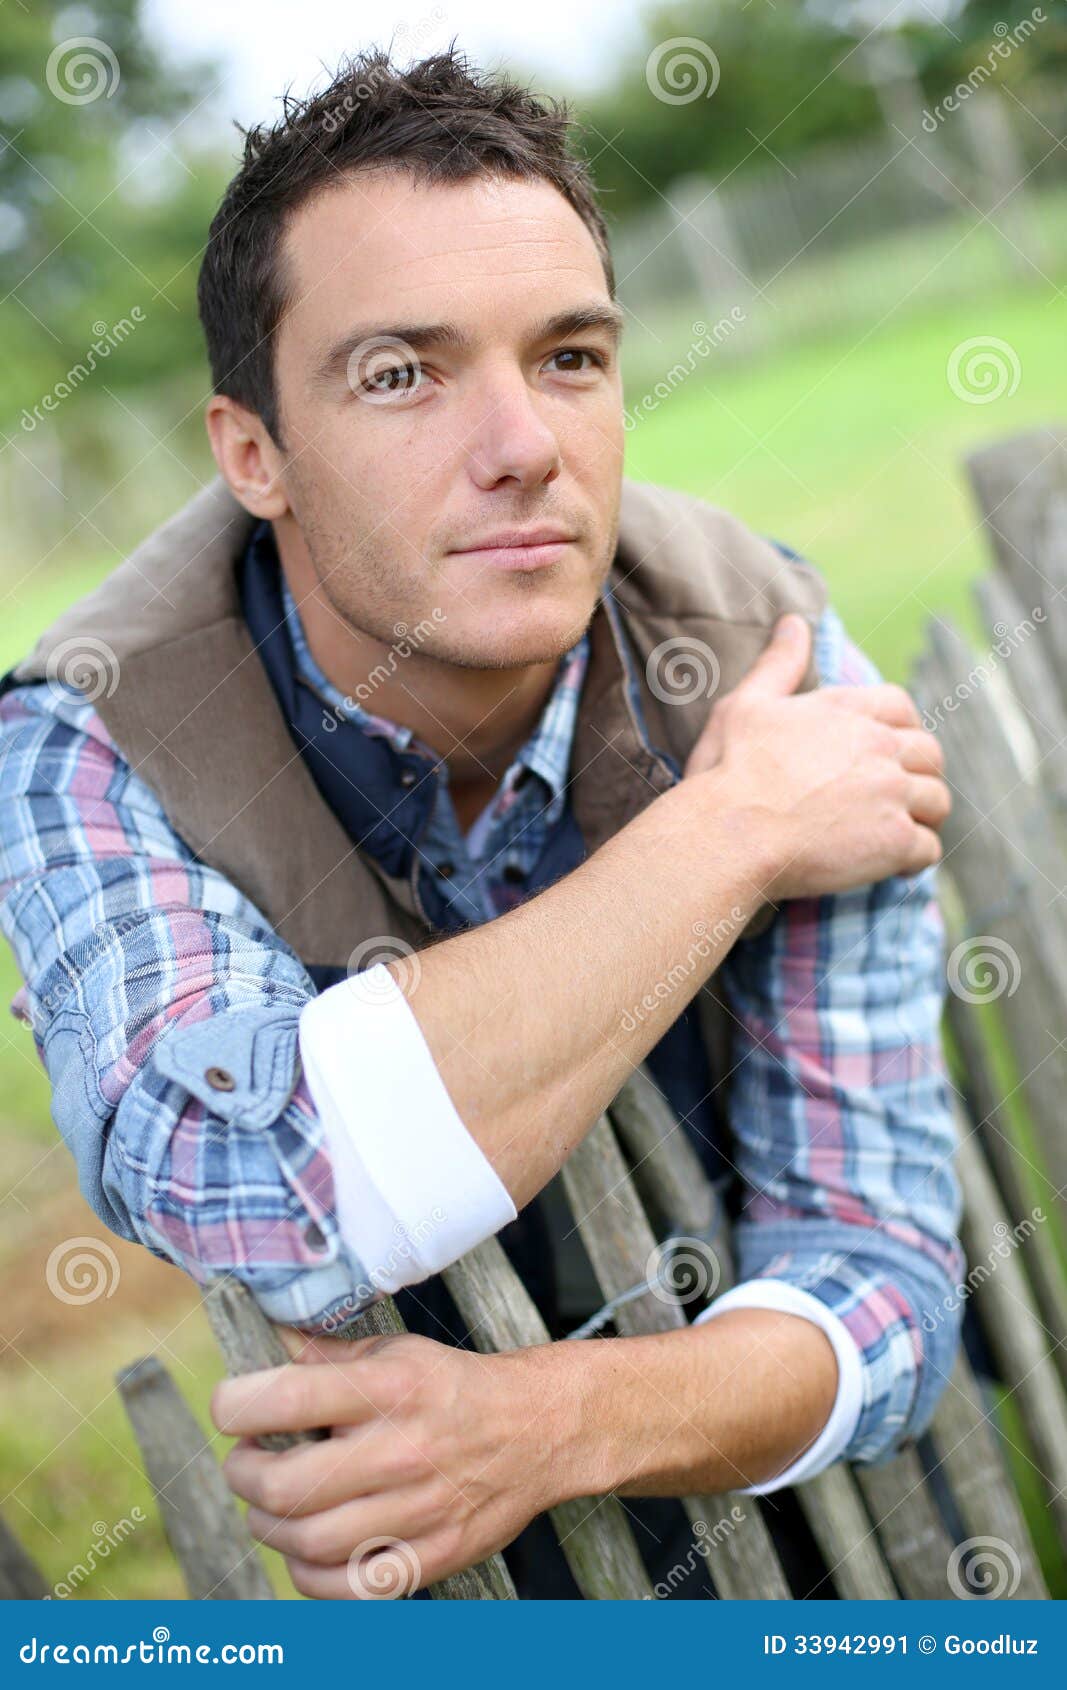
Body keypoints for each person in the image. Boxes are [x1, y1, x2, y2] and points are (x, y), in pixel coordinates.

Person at [0, 49, 961, 1599]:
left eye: (571, 356)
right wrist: (727, 835)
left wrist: (555, 1419)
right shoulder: (93, 733)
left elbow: (893, 1269)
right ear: (254, 453)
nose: (524, 443)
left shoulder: (762, 642)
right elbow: (273, 1193)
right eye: (404, 374)